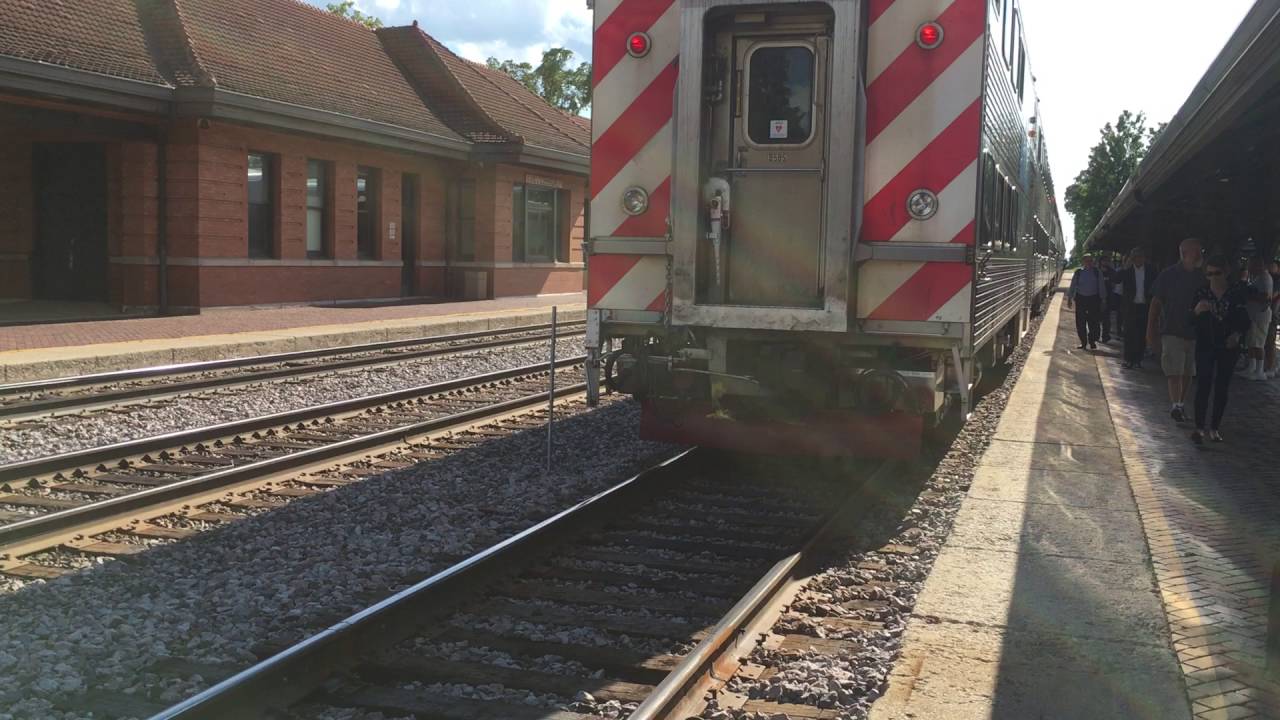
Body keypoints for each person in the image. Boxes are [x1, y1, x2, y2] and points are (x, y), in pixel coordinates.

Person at [1189, 255, 1250, 444]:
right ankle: (1199, 428)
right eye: (1210, 273)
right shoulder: (1201, 293)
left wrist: (1237, 335)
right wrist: (1197, 311)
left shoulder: (1235, 293)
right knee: (1203, 384)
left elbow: (1245, 320)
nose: (1214, 277)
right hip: (1206, 344)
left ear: (1226, 272)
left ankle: (1214, 427)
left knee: (1222, 387)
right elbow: (1190, 320)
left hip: (1228, 346)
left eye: (1218, 273)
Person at [1148, 238, 1206, 422]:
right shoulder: (1168, 275)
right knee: (1175, 372)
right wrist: (1150, 329)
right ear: (1186, 253)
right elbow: (1156, 303)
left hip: (1193, 333)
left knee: (1188, 372)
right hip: (1172, 330)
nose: (1200, 255)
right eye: (1197, 251)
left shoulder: (1202, 277)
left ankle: (1180, 403)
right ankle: (1176, 405)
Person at [1117, 246, 1156, 369]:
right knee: (1129, 333)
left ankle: (1138, 359)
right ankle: (1128, 359)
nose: (1138, 260)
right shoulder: (1127, 271)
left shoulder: (1151, 270)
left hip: (1145, 306)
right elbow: (1116, 279)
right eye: (1135, 258)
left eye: (1141, 257)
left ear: (1144, 259)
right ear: (1132, 259)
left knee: (1141, 334)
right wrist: (1124, 267)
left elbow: (1155, 285)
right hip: (1131, 307)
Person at [1241, 256, 1273, 381]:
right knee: (1252, 342)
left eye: (1251, 265)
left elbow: (1266, 298)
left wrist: (1249, 295)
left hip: (1260, 315)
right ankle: (1251, 367)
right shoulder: (1258, 277)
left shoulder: (1265, 278)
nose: (1249, 268)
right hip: (1253, 315)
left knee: (1258, 343)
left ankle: (1259, 371)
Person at [1067, 254, 1105, 350]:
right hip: (1081, 299)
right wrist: (1069, 298)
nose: (1089, 263)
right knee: (1080, 322)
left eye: (1090, 261)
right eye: (1086, 261)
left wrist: (1103, 298)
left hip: (1094, 299)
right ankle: (1083, 342)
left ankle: (1092, 340)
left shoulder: (1097, 272)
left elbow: (1101, 286)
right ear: (1083, 262)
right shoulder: (1078, 272)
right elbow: (1073, 285)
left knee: (1094, 321)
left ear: (1093, 262)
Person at [1100, 256, 1118, 343]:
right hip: (1097, 298)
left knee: (1106, 318)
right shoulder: (1097, 271)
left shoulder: (1111, 271)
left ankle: (1105, 336)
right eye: (1104, 260)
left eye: (1107, 261)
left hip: (1108, 297)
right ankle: (1096, 335)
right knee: (1096, 318)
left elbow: (1115, 282)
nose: (1106, 262)